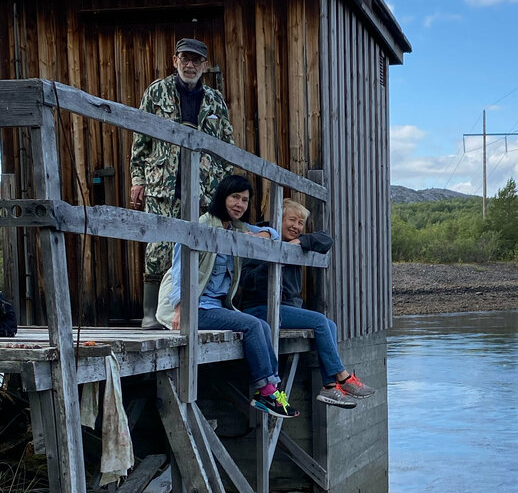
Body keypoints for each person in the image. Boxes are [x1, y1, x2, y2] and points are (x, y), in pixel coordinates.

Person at [155, 175, 299, 419]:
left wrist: (253, 238)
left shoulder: (235, 228)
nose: (239, 204)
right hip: (194, 306)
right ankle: (266, 392)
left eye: (244, 200)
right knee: (253, 325)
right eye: (235, 197)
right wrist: (181, 308)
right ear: (222, 196)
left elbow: (273, 234)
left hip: (216, 307)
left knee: (263, 325)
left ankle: (272, 390)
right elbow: (180, 268)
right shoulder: (202, 224)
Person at [130, 37, 235, 328]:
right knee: (158, 248)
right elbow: (141, 138)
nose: (190, 65)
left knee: (199, 249)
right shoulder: (156, 92)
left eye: (196, 60)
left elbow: (227, 144)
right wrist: (137, 179)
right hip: (163, 183)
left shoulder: (215, 100)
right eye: (185, 59)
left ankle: (195, 309)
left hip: (204, 188)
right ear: (175, 60)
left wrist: (227, 188)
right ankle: (151, 314)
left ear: (204, 64)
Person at [239, 199, 375, 409]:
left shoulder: (298, 242)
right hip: (260, 309)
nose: (296, 226)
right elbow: (247, 280)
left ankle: (329, 387)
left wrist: (302, 242)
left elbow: (326, 240)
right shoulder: (262, 240)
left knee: (330, 325)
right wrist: (274, 263)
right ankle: (342, 379)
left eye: (300, 222)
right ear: (278, 219)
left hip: (286, 309)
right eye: (292, 220)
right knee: (321, 321)